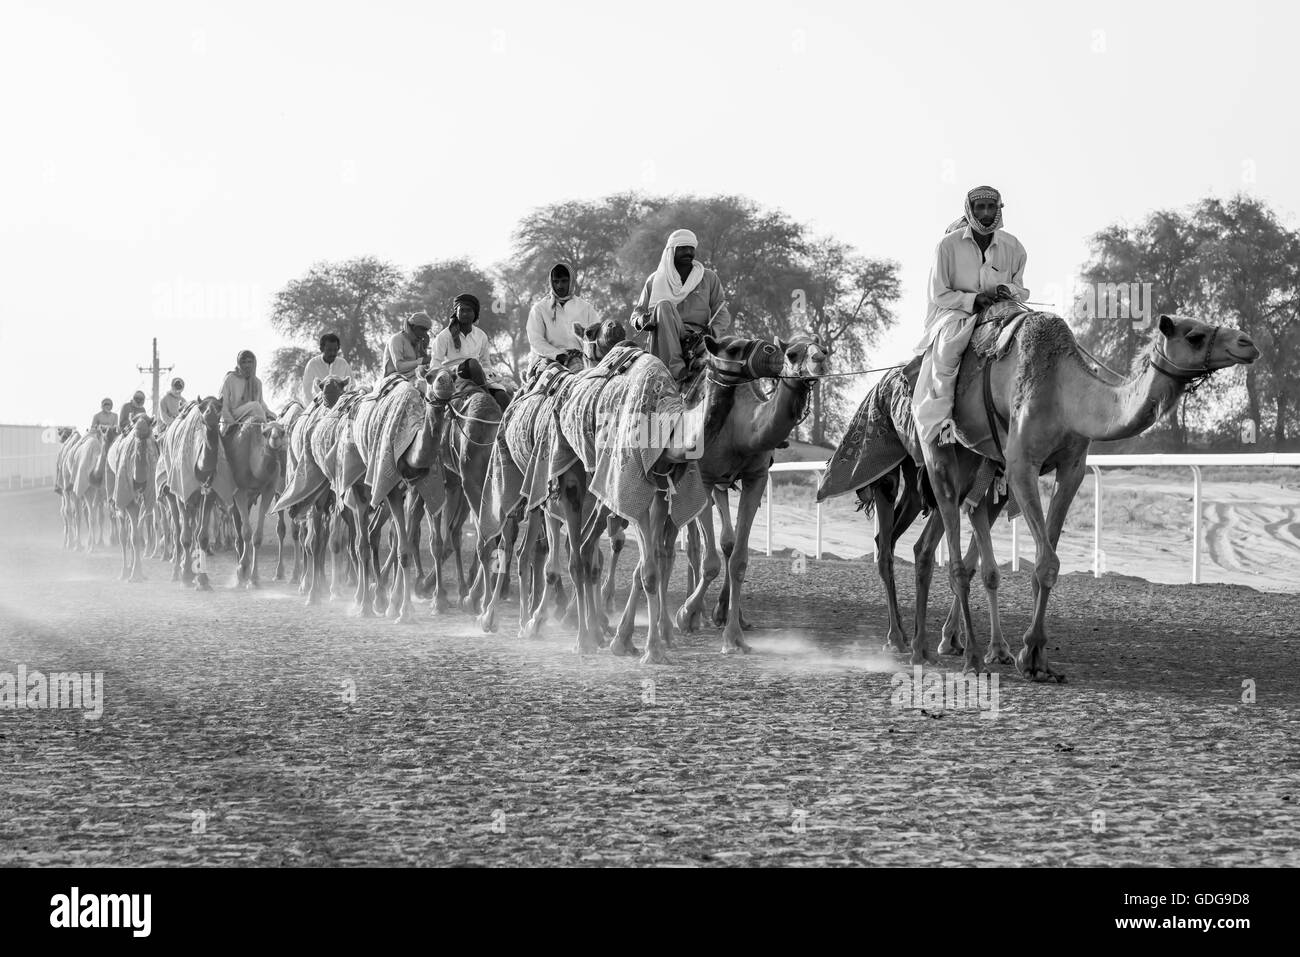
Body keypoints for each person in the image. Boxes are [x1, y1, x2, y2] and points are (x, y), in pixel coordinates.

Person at [911, 185, 1029, 447]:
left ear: (999, 209)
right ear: (970, 209)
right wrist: (972, 299)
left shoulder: (1014, 247)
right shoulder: (947, 246)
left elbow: (1021, 288)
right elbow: (939, 293)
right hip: (955, 315)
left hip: (1001, 312)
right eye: (980, 207)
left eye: (991, 207)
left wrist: (1005, 289)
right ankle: (942, 424)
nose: (986, 213)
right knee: (947, 355)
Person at [629, 228, 731, 382]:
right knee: (663, 305)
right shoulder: (655, 280)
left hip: (697, 336)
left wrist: (713, 332)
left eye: (691, 248)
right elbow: (636, 315)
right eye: (683, 248)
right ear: (671, 251)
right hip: (663, 337)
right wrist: (642, 321)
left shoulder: (708, 277)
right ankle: (676, 369)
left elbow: (721, 311)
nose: (688, 252)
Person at [431, 294, 512, 408]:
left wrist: (491, 375)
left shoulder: (481, 335)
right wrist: (446, 375)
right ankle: (488, 398)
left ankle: (506, 423)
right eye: (462, 310)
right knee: (472, 363)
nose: (464, 313)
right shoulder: (444, 336)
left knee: (503, 396)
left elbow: (486, 362)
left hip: (479, 376)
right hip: (455, 376)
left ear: (475, 314)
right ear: (456, 312)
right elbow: (435, 363)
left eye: (468, 310)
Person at [526, 263, 598, 363]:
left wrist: (583, 353)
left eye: (564, 281)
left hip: (584, 360)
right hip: (550, 362)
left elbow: (595, 338)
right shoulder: (539, 309)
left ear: (571, 281)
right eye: (556, 282)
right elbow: (536, 341)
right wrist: (560, 356)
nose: (559, 286)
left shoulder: (586, 308)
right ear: (551, 283)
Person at [219, 350, 274, 433]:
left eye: (249, 362)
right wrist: (230, 423)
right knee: (255, 406)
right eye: (244, 362)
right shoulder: (231, 378)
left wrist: (271, 415)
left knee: (272, 417)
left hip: (253, 415)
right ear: (239, 364)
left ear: (254, 363)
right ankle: (266, 432)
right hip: (234, 413)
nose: (247, 365)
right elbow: (223, 403)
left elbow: (261, 403)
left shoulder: (257, 382)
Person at [301, 332, 353, 404]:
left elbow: (352, 385)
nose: (333, 353)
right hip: (319, 405)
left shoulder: (343, 363)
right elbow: (306, 390)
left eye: (335, 350)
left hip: (339, 405)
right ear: (321, 349)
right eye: (329, 350)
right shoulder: (312, 364)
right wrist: (312, 406)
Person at [384, 312, 433, 381]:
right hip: (396, 379)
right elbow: (400, 367)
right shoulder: (397, 339)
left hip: (414, 376)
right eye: (423, 330)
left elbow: (422, 363)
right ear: (415, 327)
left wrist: (424, 347)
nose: (425, 334)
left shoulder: (418, 340)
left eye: (427, 331)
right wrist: (421, 361)